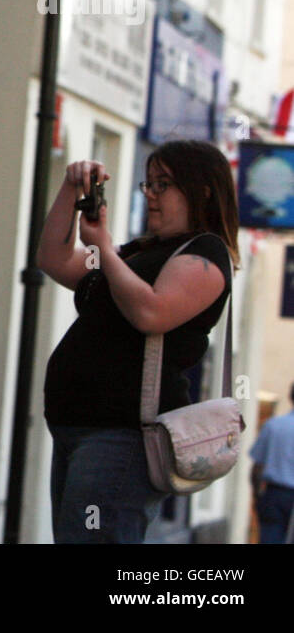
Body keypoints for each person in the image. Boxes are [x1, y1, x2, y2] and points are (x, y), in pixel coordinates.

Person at [39, 139, 238, 544]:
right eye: (148, 184)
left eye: (163, 185)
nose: (151, 195)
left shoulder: (205, 255)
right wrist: (70, 190)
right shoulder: (139, 252)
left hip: (122, 436)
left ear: (200, 191)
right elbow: (54, 260)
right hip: (78, 428)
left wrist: (103, 250)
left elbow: (152, 313)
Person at [250, 382, 294, 544]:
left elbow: (257, 467)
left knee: (270, 538)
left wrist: (257, 495)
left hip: (274, 494)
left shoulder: (273, 425)